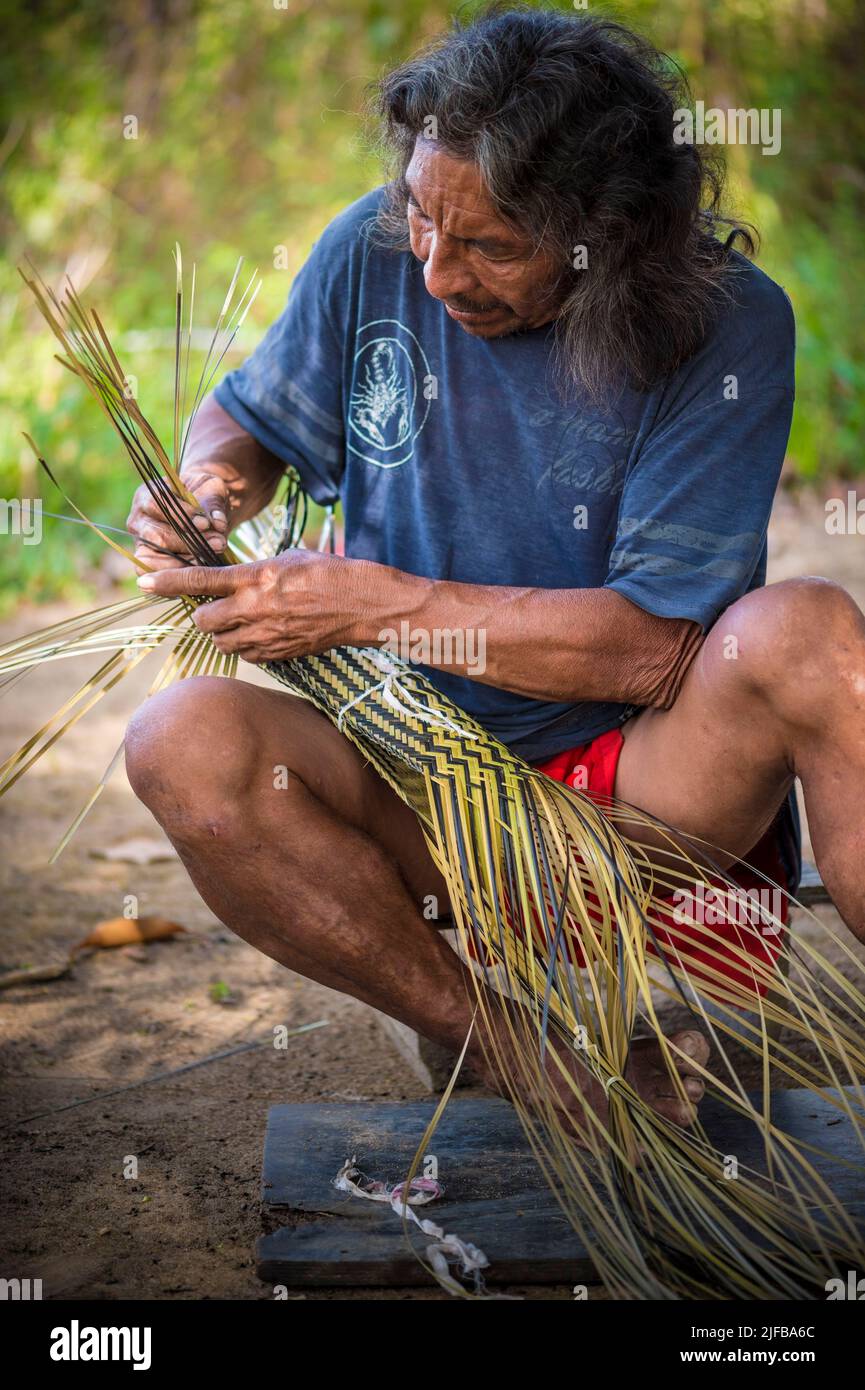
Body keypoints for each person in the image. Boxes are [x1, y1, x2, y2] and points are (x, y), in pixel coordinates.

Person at [124, 8, 865, 1136]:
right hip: (416, 789)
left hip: (640, 801)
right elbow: (249, 420)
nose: (435, 270)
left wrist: (382, 608)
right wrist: (209, 486)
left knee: (810, 634)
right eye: (424, 218)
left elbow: (650, 648)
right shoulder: (374, 248)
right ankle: (509, 1045)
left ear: (611, 233)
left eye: (490, 247)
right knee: (179, 739)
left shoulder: (723, 322)